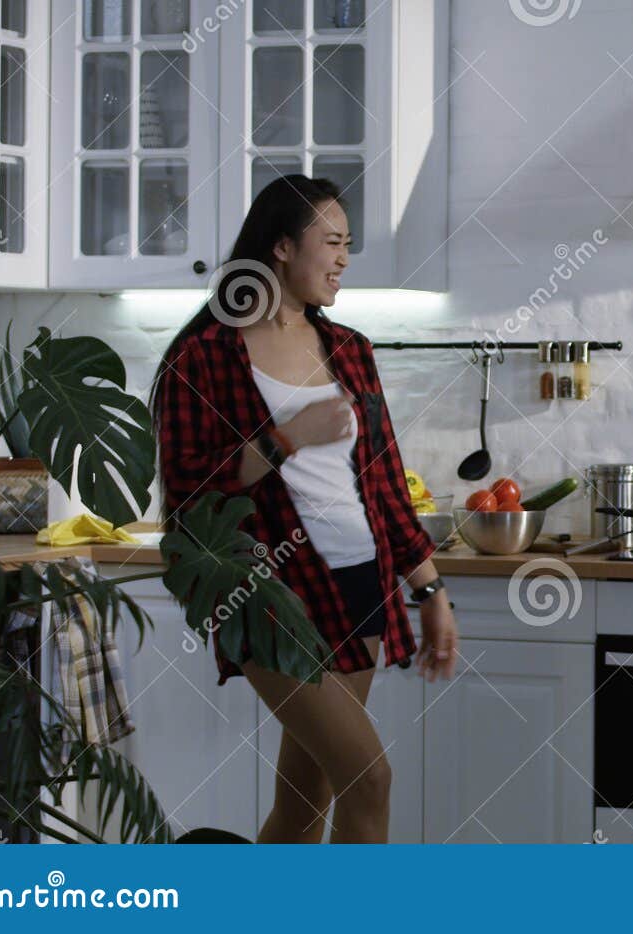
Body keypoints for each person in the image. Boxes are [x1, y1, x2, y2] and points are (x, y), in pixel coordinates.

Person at [150, 175, 459, 844]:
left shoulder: (350, 349)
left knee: (305, 799)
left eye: (348, 244)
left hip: (359, 583)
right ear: (283, 246)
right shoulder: (203, 358)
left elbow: (384, 485)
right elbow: (188, 489)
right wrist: (285, 438)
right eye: (333, 242)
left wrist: (430, 590)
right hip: (269, 595)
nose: (344, 259)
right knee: (369, 779)